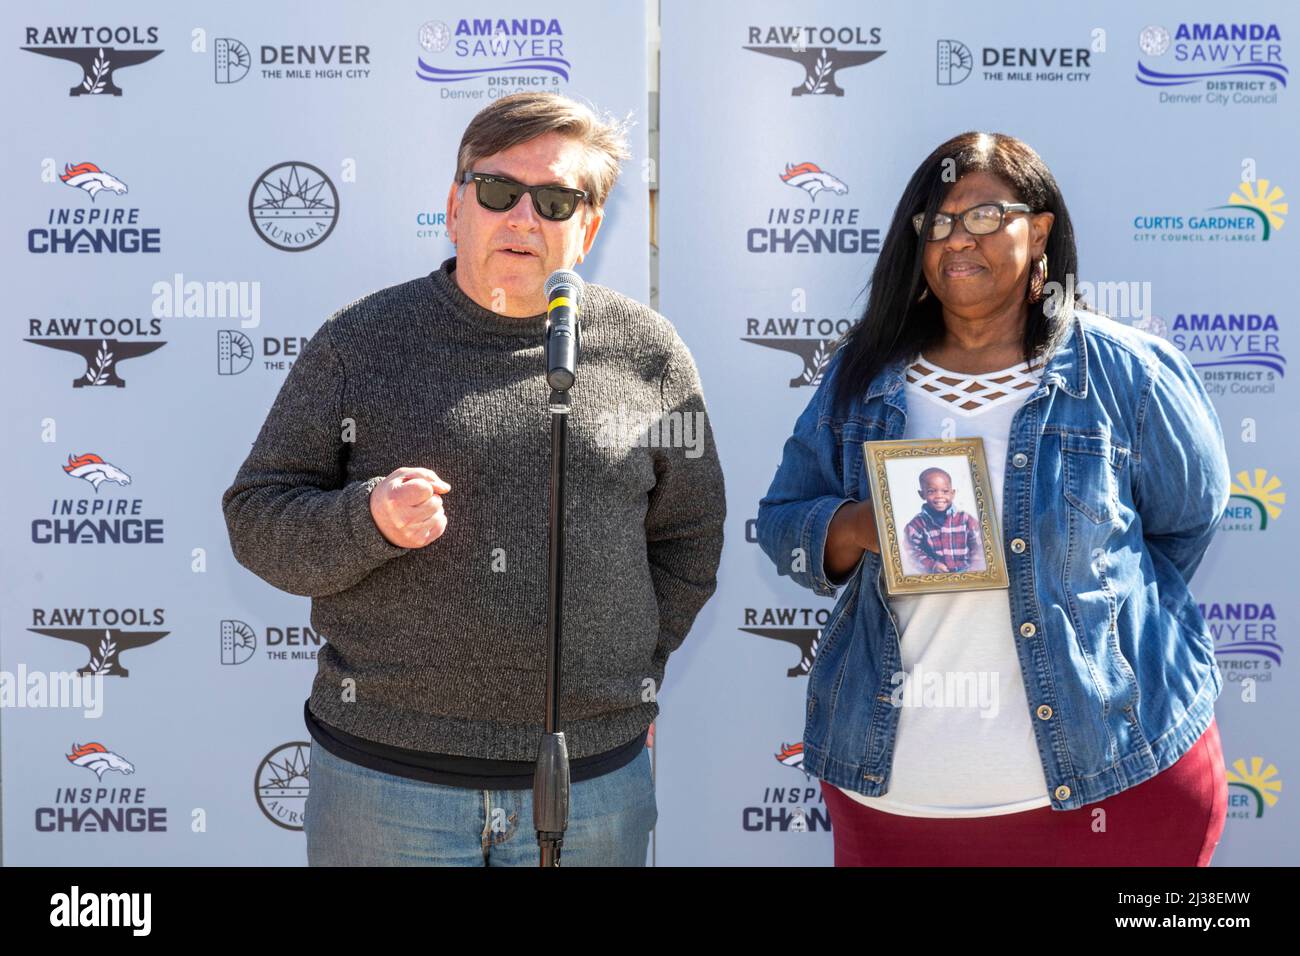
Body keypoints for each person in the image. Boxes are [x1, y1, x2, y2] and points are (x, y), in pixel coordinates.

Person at [222, 92, 726, 866]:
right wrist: (369, 521)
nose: (523, 217)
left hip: (590, 784)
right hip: (384, 782)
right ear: (455, 207)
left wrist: (628, 671)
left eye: (557, 199)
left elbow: (689, 537)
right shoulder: (360, 341)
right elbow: (257, 517)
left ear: (587, 229)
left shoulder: (649, 351)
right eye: (498, 191)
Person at [756, 131, 1230, 866]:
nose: (957, 239)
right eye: (937, 221)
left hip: (1115, 780)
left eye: (984, 216)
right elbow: (783, 520)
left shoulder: (1128, 372)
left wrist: (1083, 597)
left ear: (1039, 230)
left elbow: (1185, 524)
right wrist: (859, 525)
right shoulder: (864, 376)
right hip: (897, 798)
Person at [900, 466, 985, 574]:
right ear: (922, 494)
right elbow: (911, 550)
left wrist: (974, 569)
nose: (939, 496)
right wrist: (932, 565)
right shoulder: (916, 525)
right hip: (935, 576)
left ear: (952, 493)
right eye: (931, 491)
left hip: (967, 572)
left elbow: (979, 546)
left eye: (945, 491)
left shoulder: (966, 519)